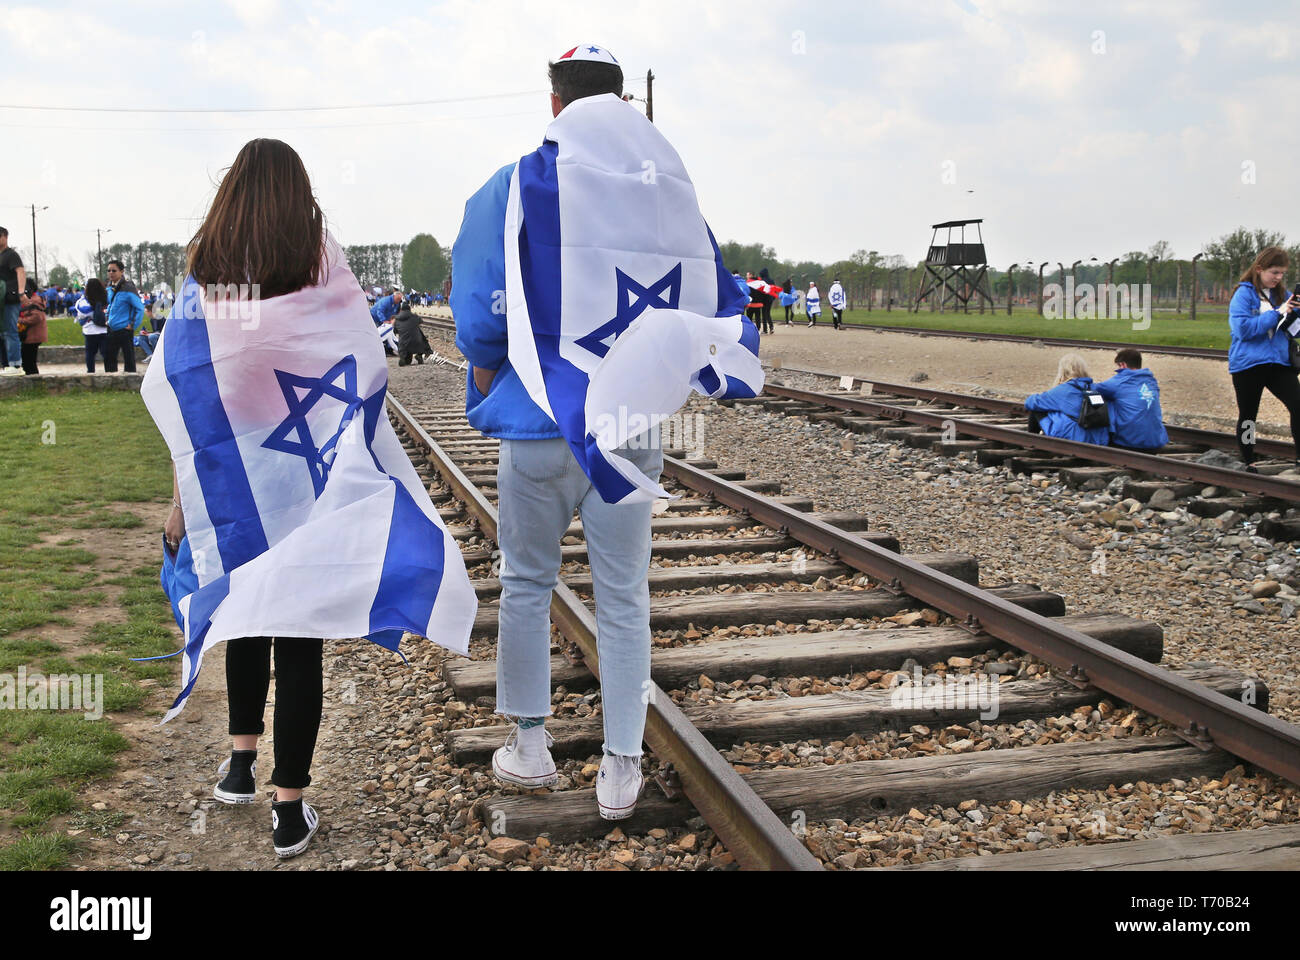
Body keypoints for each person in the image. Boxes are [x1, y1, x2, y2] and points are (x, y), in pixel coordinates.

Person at [144, 138, 475, 859]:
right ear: (301, 194)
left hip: (238, 476)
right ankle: (289, 808)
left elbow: (191, 406)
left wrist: (180, 505)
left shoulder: (207, 272)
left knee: (245, 608)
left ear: (229, 192)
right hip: (308, 473)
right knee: (297, 636)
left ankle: (238, 765)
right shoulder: (318, 260)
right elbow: (361, 365)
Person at [453, 44, 754, 821]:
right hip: (629, 426)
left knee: (526, 584)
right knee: (624, 595)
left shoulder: (511, 184)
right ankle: (621, 763)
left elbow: (479, 300)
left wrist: (487, 370)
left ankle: (530, 745)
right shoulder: (669, 191)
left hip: (537, 422)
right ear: (623, 102)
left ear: (554, 103)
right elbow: (708, 293)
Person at [1228, 246, 1300, 472]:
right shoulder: (1244, 294)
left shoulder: (1284, 295)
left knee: (1298, 406)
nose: (1278, 278)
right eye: (1274, 273)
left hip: (1279, 363)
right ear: (1259, 269)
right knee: (1249, 415)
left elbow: (1293, 330)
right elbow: (1243, 330)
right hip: (1249, 364)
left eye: (1282, 274)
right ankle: (1249, 459)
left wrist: (1295, 314)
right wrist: (1278, 312)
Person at [1023, 352, 1110, 444]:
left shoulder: (1063, 390)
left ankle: (1030, 443)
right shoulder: (1094, 388)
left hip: (1074, 438)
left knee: (1037, 409)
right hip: (1099, 439)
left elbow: (1030, 402)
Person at [1093, 349, 1169, 451]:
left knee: (1106, 399)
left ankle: (1112, 438)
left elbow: (1093, 388)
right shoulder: (1151, 381)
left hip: (1130, 443)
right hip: (1156, 440)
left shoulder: (1120, 381)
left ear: (1123, 365)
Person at [103, 259, 145, 372]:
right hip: (111, 328)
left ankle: (130, 380)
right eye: (109, 270)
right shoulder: (109, 287)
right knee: (109, 357)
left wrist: (132, 325)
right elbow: (110, 305)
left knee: (129, 358)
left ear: (121, 271)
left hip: (124, 329)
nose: (111, 273)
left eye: (114, 270)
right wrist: (107, 318)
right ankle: (111, 381)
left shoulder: (128, 288)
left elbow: (140, 308)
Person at [0, 227, 26, 375]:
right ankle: (7, 364)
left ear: (5, 236)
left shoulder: (11, 255)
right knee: (3, 333)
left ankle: (16, 365)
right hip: (1, 300)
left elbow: (20, 271)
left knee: (10, 331)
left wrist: (21, 291)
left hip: (10, 298)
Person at [77, 279, 110, 372]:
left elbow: (81, 314)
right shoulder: (105, 298)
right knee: (106, 353)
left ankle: (90, 372)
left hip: (89, 330)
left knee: (90, 354)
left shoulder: (84, 300)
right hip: (104, 329)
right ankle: (109, 372)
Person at [18, 278, 47, 375]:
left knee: (29, 362)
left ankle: (34, 383)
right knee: (29, 362)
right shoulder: (34, 299)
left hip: (33, 335)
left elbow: (36, 317)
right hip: (33, 334)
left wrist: (19, 320)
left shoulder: (34, 301)